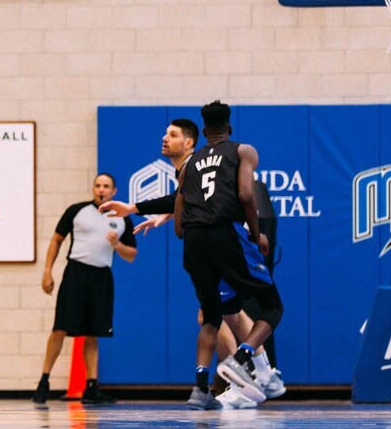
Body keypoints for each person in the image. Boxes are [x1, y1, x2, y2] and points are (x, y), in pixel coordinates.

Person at [100, 119, 285, 409]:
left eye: (172, 135)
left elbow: (206, 198)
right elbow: (193, 200)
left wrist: (142, 208)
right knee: (224, 313)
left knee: (221, 314)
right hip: (211, 238)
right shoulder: (192, 167)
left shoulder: (195, 163)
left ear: (189, 142)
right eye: (164, 133)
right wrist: (169, 214)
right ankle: (252, 372)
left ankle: (249, 371)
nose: (164, 138)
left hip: (227, 237)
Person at [174, 101, 284, 409]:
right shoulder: (242, 151)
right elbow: (247, 194)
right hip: (224, 233)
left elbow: (179, 224)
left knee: (212, 315)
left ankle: (199, 390)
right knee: (273, 307)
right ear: (230, 127)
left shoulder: (190, 163)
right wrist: (255, 232)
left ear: (205, 130)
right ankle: (242, 358)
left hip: (193, 242)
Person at [32, 173, 137, 406]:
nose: (101, 190)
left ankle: (91, 387)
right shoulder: (77, 211)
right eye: (98, 185)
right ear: (93, 189)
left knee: (93, 333)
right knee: (59, 329)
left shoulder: (122, 218)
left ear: (114, 192)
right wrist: (47, 271)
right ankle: (44, 382)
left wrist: (116, 244)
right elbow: (56, 239)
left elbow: (131, 255)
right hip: (76, 274)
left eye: (106, 186)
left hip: (101, 277)